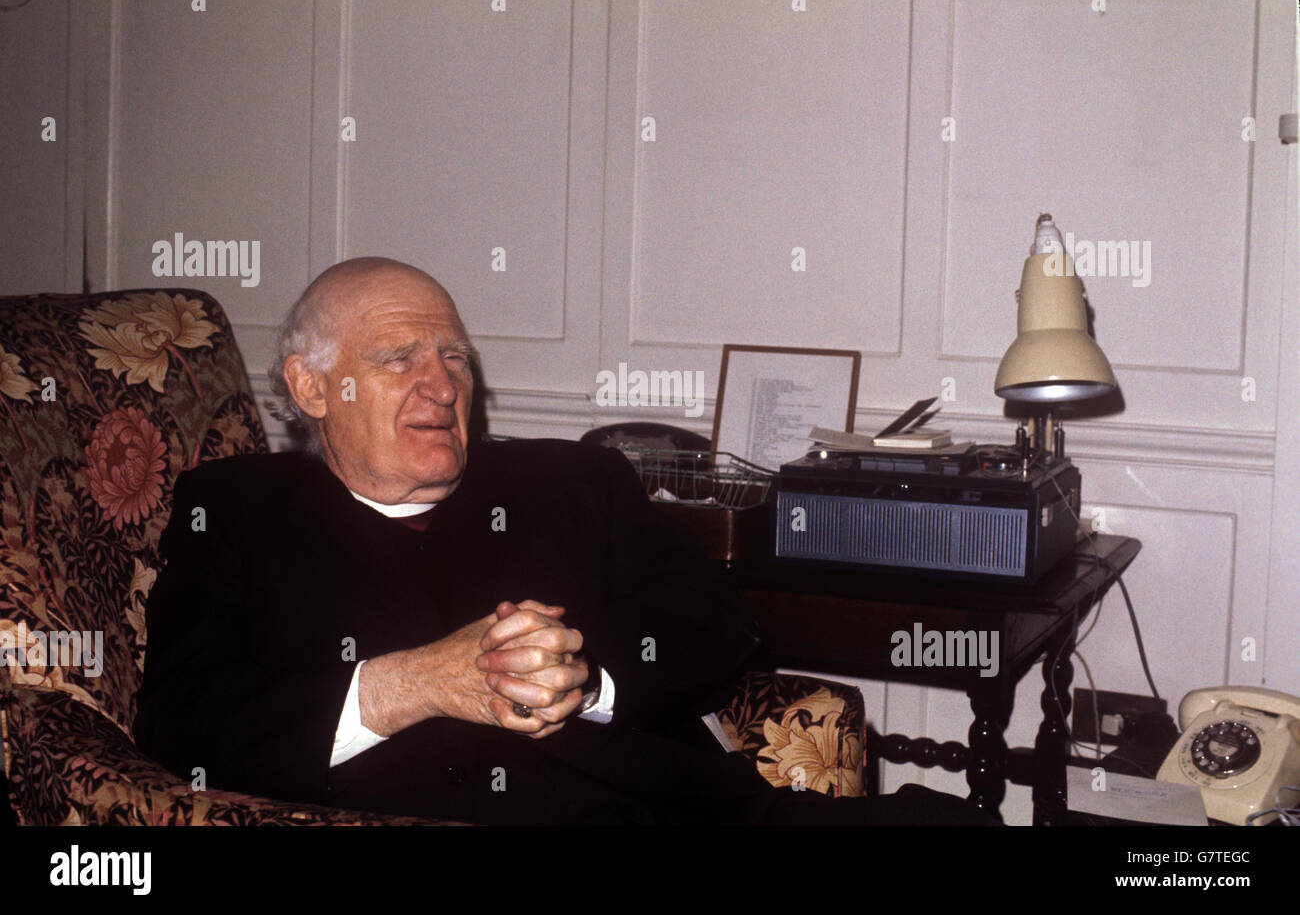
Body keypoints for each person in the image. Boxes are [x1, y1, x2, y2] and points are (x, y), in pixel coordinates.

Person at [133, 257, 992, 825]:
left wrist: (590, 684)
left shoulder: (570, 482)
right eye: (401, 357)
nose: (442, 384)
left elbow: (719, 627)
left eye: (456, 358)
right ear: (311, 386)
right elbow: (183, 725)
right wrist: (416, 684)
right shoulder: (236, 513)